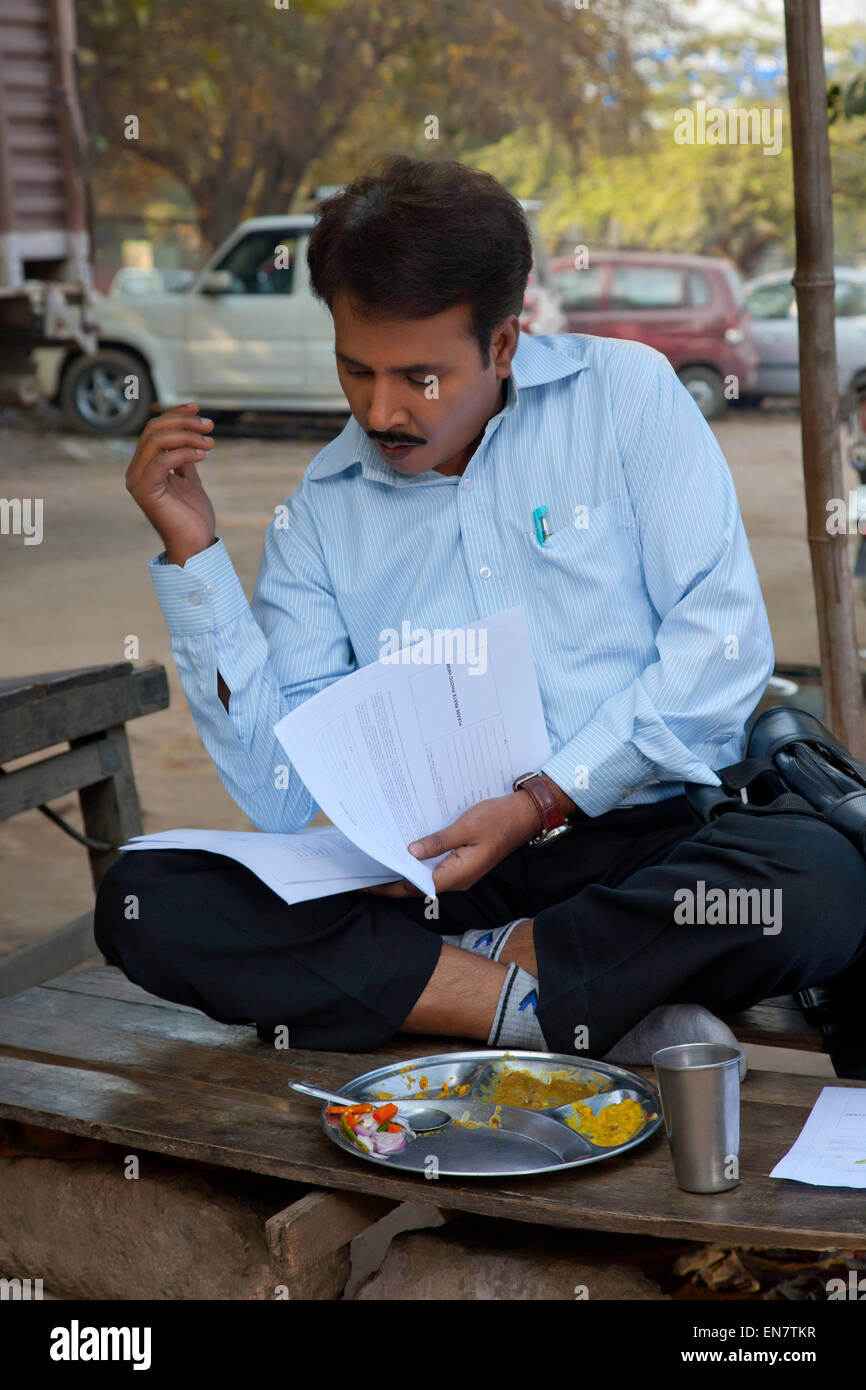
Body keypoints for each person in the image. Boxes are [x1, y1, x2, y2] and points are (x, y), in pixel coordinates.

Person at [95, 155, 866, 1070]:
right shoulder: (325, 503)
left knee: (817, 882)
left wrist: (538, 803)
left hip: (635, 842)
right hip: (420, 875)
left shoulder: (627, 397)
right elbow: (280, 792)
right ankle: (542, 1006)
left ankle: (475, 981)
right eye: (355, 370)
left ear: (503, 343)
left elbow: (722, 652)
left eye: (420, 377)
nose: (381, 411)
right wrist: (196, 556)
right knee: (148, 897)